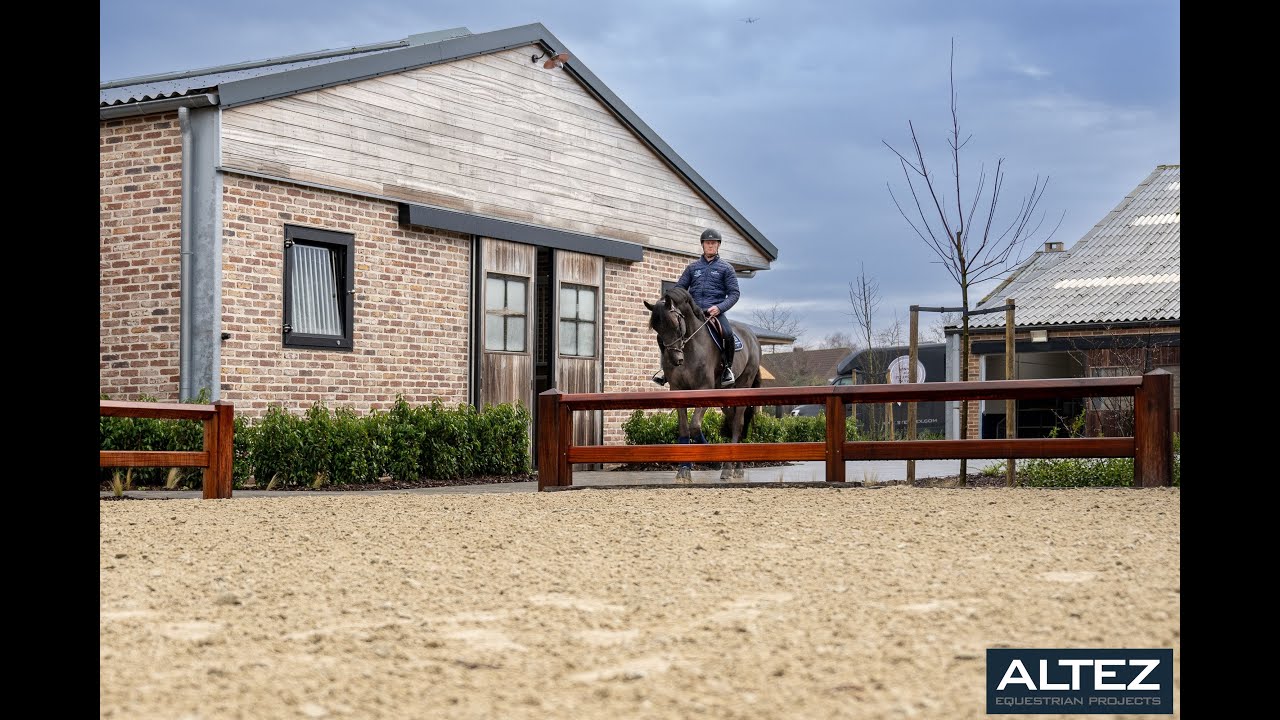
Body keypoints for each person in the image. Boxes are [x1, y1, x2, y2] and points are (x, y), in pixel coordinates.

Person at [653, 227, 741, 387]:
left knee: (727, 333)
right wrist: (662, 303)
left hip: (713, 313)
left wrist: (720, 308)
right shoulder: (693, 268)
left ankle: (727, 368)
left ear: (718, 245)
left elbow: (734, 294)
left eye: (713, 243)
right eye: (708, 243)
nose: (710, 246)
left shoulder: (726, 268)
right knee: (664, 335)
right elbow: (679, 289)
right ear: (703, 245)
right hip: (693, 312)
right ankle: (665, 370)